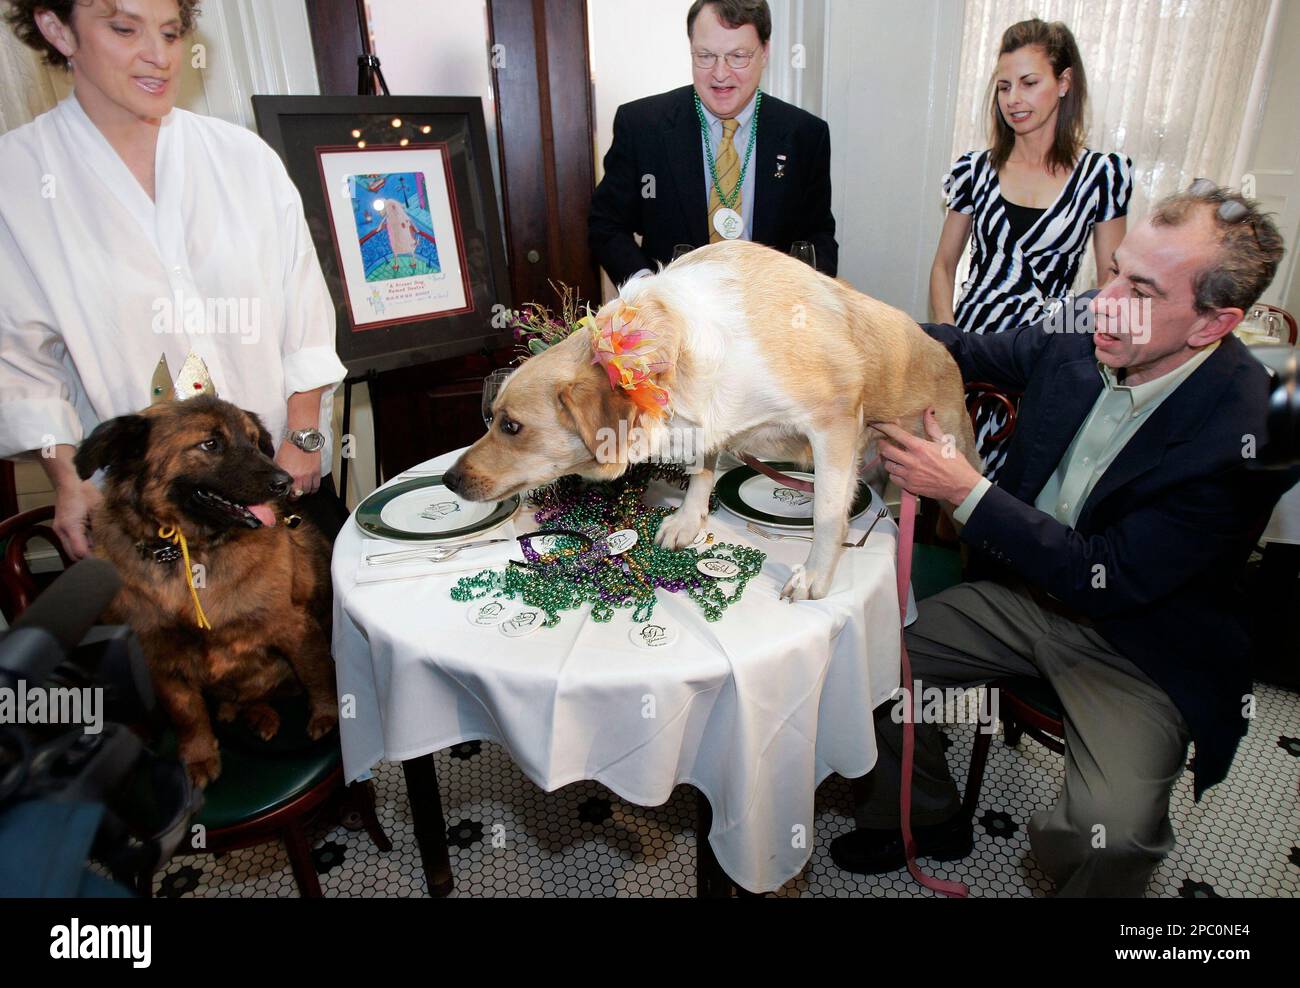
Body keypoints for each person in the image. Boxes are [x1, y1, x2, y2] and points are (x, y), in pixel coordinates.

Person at [831, 182, 1297, 896]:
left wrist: (964, 490)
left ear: (1212, 323)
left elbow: (1104, 572)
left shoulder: (1251, 432)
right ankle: (929, 819)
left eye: (1141, 289)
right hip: (1019, 595)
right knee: (863, 666)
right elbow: (964, 345)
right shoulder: (1085, 330)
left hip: (1141, 645)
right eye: (1113, 270)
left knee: (1110, 832)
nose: (1104, 300)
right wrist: (849, 321)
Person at [0, 0, 348, 553]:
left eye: (170, 32)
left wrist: (303, 436)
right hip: (144, 511)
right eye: (123, 29)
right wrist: (66, 480)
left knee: (314, 632)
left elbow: (303, 309)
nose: (158, 56)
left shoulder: (242, 158)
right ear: (57, 29)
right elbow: (22, 364)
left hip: (279, 476)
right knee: (176, 642)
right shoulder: (17, 178)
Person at [930, 18, 1131, 477]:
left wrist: (1082, 348)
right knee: (953, 478)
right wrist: (947, 341)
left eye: (1028, 83)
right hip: (972, 349)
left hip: (1044, 353)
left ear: (1064, 83)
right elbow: (944, 265)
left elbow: (1110, 284)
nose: (1013, 99)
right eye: (1003, 87)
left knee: (1017, 496)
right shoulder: (973, 170)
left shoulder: (1102, 175)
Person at [588, 0, 837, 285]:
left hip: (767, 316)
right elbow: (606, 224)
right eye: (706, 56)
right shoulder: (642, 125)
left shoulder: (804, 135)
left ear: (765, 52)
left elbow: (818, 235)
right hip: (675, 316)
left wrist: (805, 300)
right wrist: (648, 290)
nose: (720, 74)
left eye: (738, 56)